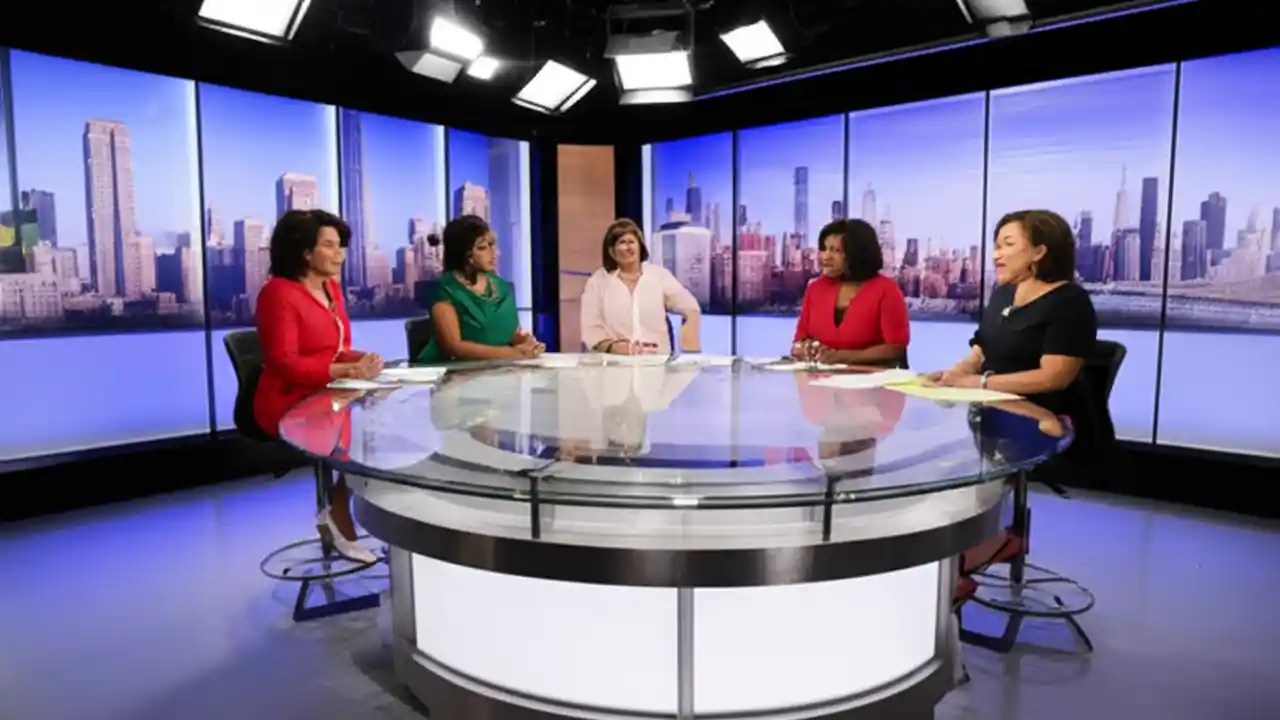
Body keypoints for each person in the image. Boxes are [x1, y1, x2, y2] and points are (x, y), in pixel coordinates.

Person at [927, 209, 1099, 599]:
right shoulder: (1003, 293)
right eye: (996, 245)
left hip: (1045, 420)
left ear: (1039, 251)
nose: (996, 254)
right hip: (990, 409)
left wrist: (980, 382)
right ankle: (950, 559)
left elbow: (1054, 376)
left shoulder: (1069, 302)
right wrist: (955, 374)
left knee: (964, 473)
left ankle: (976, 555)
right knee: (938, 460)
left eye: (1007, 245)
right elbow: (982, 347)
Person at [254, 209, 381, 564]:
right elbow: (284, 362)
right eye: (329, 245)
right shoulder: (278, 293)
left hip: (326, 389)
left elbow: (336, 348)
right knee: (363, 433)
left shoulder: (331, 288)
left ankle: (340, 510)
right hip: (287, 400)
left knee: (380, 418)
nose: (339, 254)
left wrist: (365, 360)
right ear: (305, 252)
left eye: (341, 246)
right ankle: (338, 516)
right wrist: (346, 369)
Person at [415, 215, 544, 363]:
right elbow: (454, 347)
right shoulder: (445, 289)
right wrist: (515, 353)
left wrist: (525, 341)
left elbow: (508, 333)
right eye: (482, 248)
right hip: (452, 372)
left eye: (492, 245)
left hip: (497, 369)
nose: (494, 253)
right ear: (464, 254)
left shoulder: (502, 287)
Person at [791, 219, 910, 366]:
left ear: (857, 254)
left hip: (871, 377)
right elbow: (798, 342)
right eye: (823, 249)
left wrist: (842, 357)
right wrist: (804, 349)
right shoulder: (815, 289)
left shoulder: (886, 290)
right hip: (819, 377)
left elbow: (894, 348)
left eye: (836, 251)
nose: (826, 257)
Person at [580, 218, 701, 356]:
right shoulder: (598, 282)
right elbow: (591, 330)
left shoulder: (659, 276)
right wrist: (615, 347)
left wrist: (690, 348)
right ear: (612, 251)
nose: (628, 248)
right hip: (615, 362)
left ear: (640, 246)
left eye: (631, 242)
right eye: (622, 242)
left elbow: (691, 307)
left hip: (656, 362)